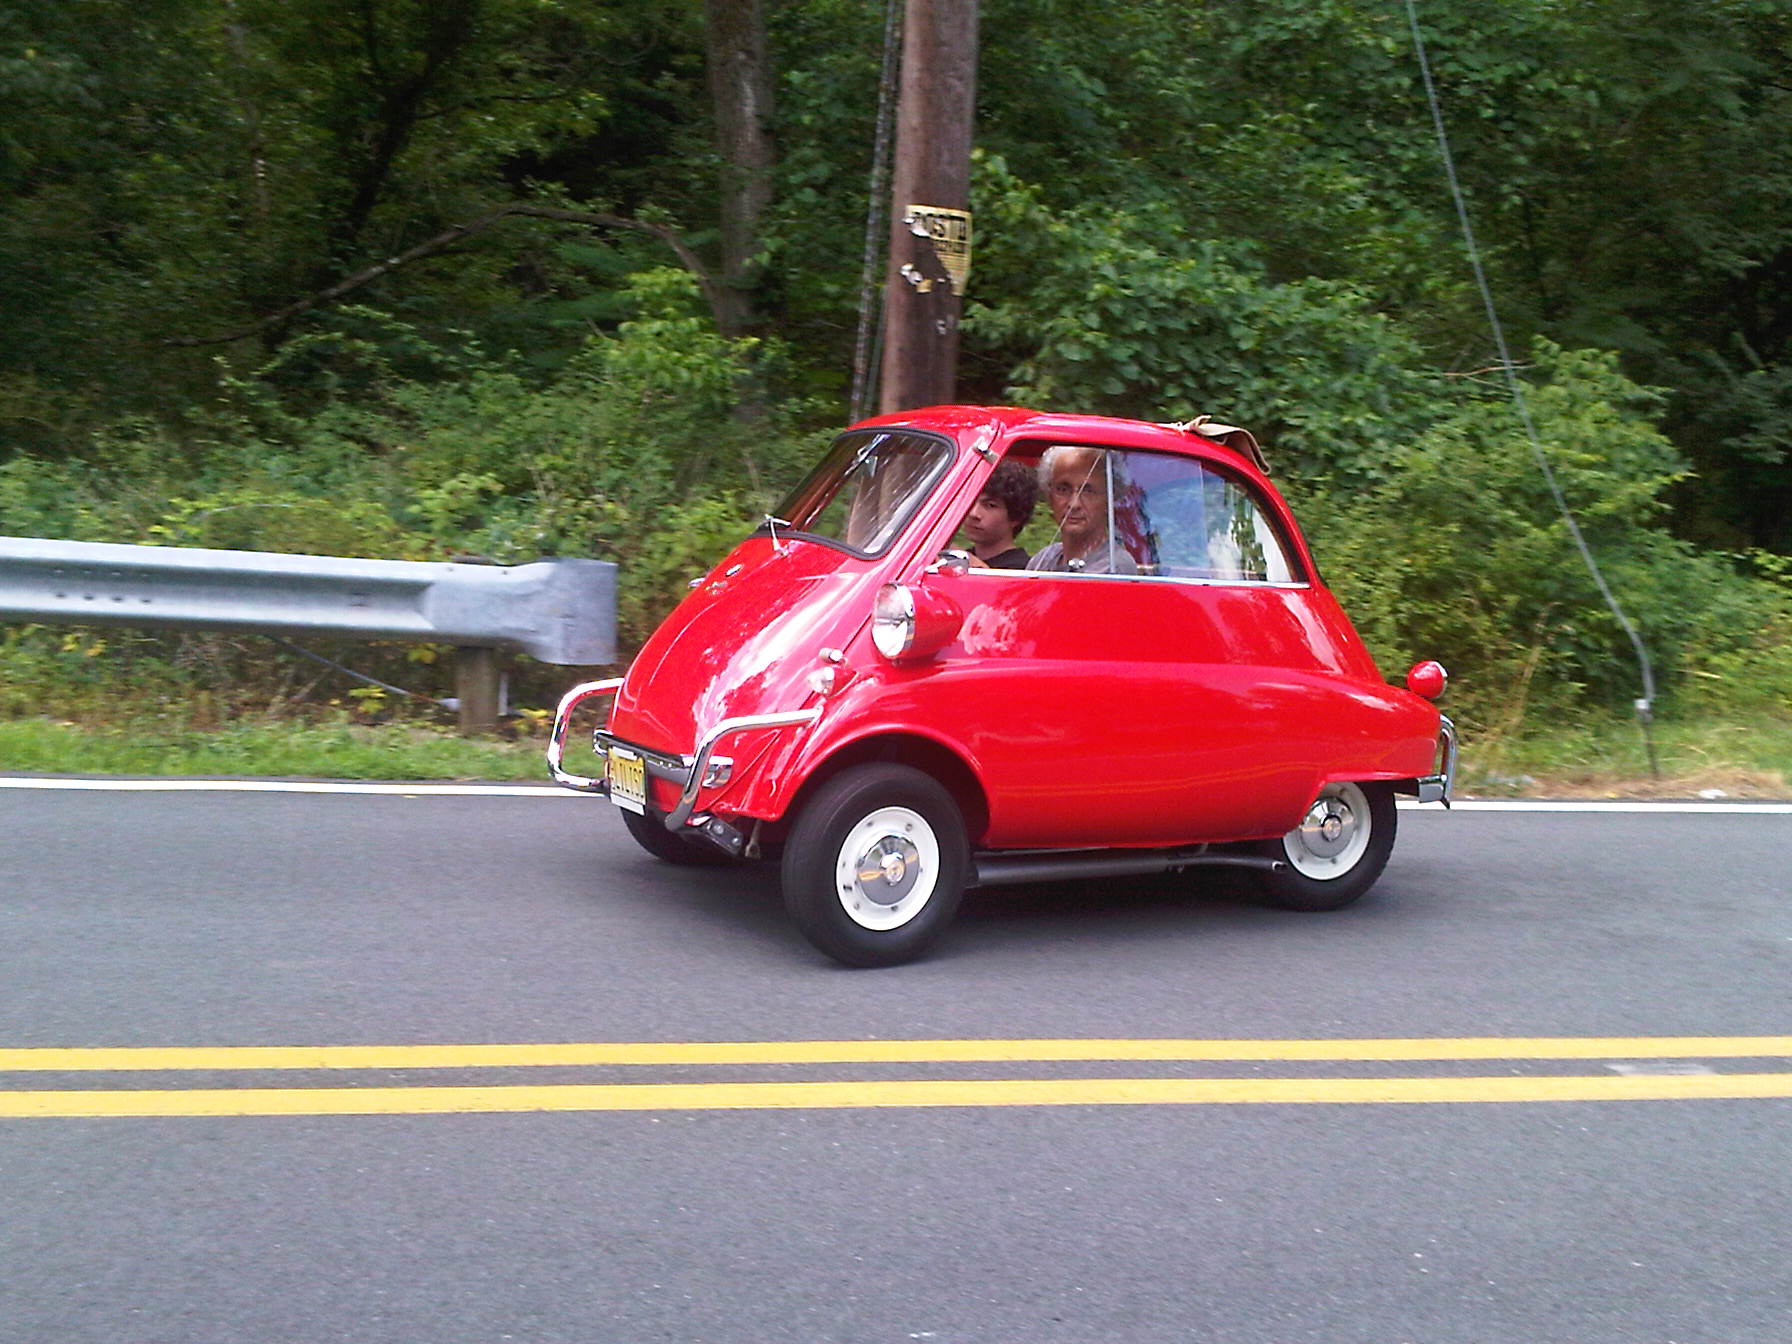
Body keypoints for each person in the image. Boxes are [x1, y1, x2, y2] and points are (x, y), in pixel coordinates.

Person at [1026, 445, 1139, 574]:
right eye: (1063, 489)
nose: (1074, 504)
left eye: (1088, 491)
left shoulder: (1115, 567)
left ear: (1109, 498)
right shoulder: (1043, 559)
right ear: (1049, 496)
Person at [958, 459, 1037, 569]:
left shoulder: (1022, 571)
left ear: (1016, 517)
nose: (973, 513)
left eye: (990, 505)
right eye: (971, 501)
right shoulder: (959, 559)